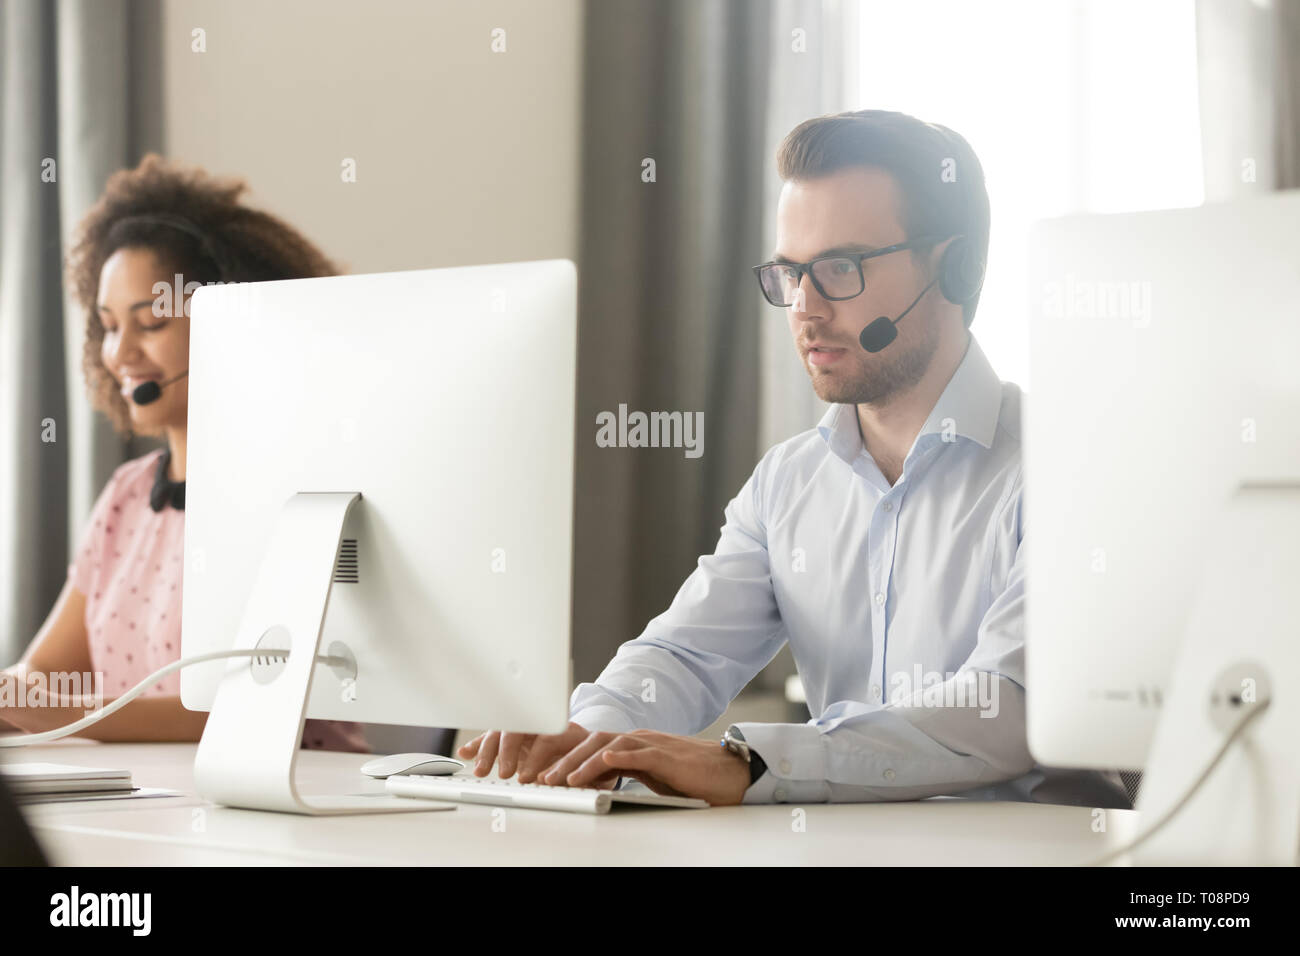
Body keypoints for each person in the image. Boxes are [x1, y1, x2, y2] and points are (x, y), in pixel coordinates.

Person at [459, 110, 1131, 808]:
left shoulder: (1068, 465)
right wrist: (589, 736)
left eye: (841, 268)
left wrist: (754, 763)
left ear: (953, 266)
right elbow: (685, 656)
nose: (805, 307)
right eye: (790, 271)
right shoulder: (787, 483)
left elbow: (1009, 707)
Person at [0, 154, 368, 751]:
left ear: (234, 319)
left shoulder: (297, 498)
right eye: (108, 326)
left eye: (148, 324)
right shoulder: (126, 494)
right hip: (152, 806)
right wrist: (15, 697)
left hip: (289, 808)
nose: (119, 354)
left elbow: (246, 706)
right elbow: (38, 676)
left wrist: (54, 712)